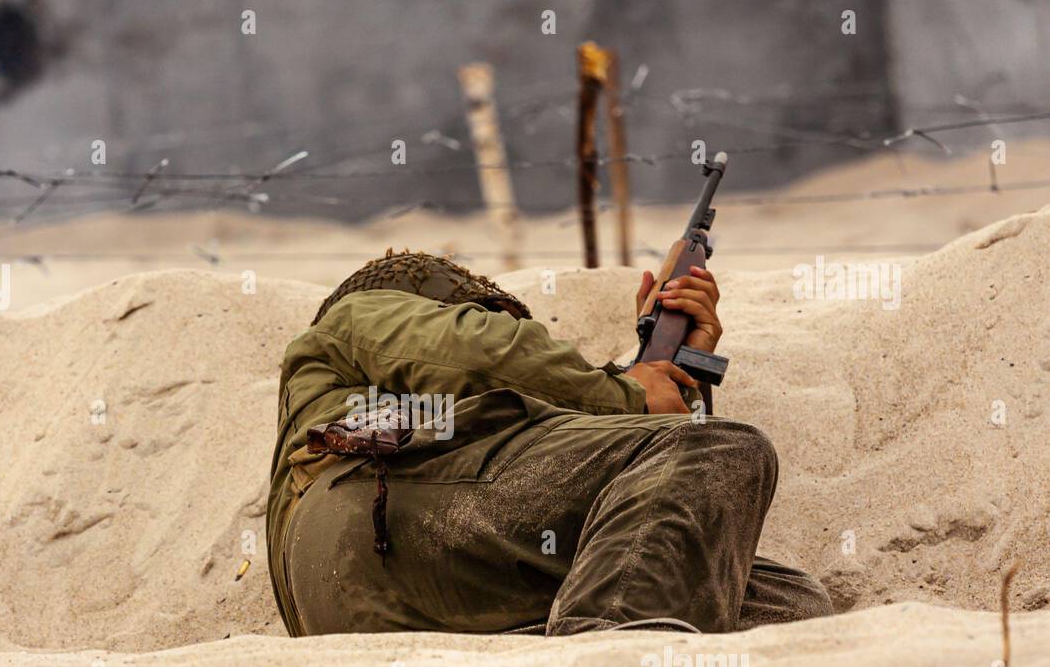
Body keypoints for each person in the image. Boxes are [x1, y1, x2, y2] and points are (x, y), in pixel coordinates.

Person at [266, 249, 832, 636]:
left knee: (786, 600)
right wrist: (630, 394)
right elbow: (480, 355)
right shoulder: (361, 310)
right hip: (378, 509)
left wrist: (674, 373)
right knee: (721, 450)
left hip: (382, 586)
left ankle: (593, 643)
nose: (513, 333)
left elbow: (645, 488)